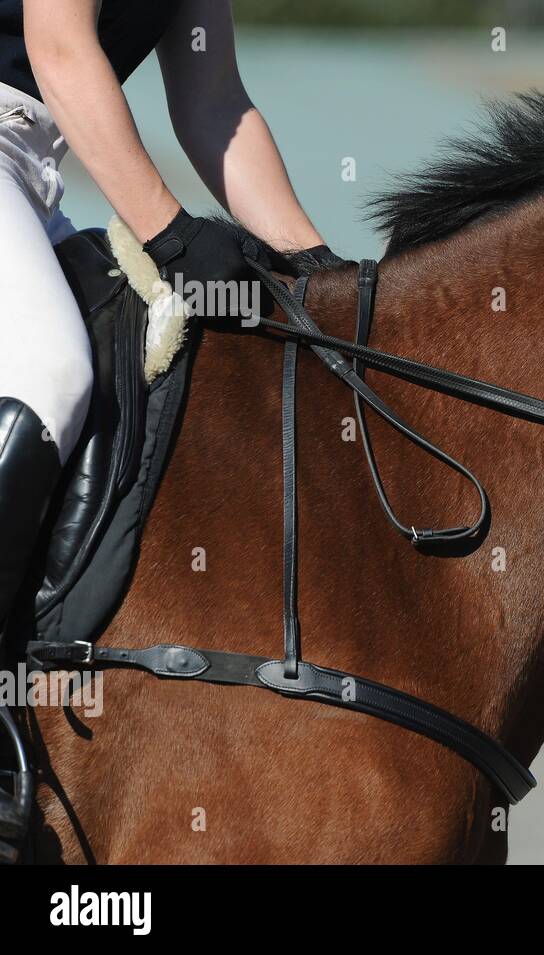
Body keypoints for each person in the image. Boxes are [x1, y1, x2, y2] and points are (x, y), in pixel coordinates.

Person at [0, 0, 340, 628]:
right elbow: (60, 51)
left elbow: (216, 103)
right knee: (52, 375)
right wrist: (173, 236)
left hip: (33, 174)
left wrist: (316, 267)